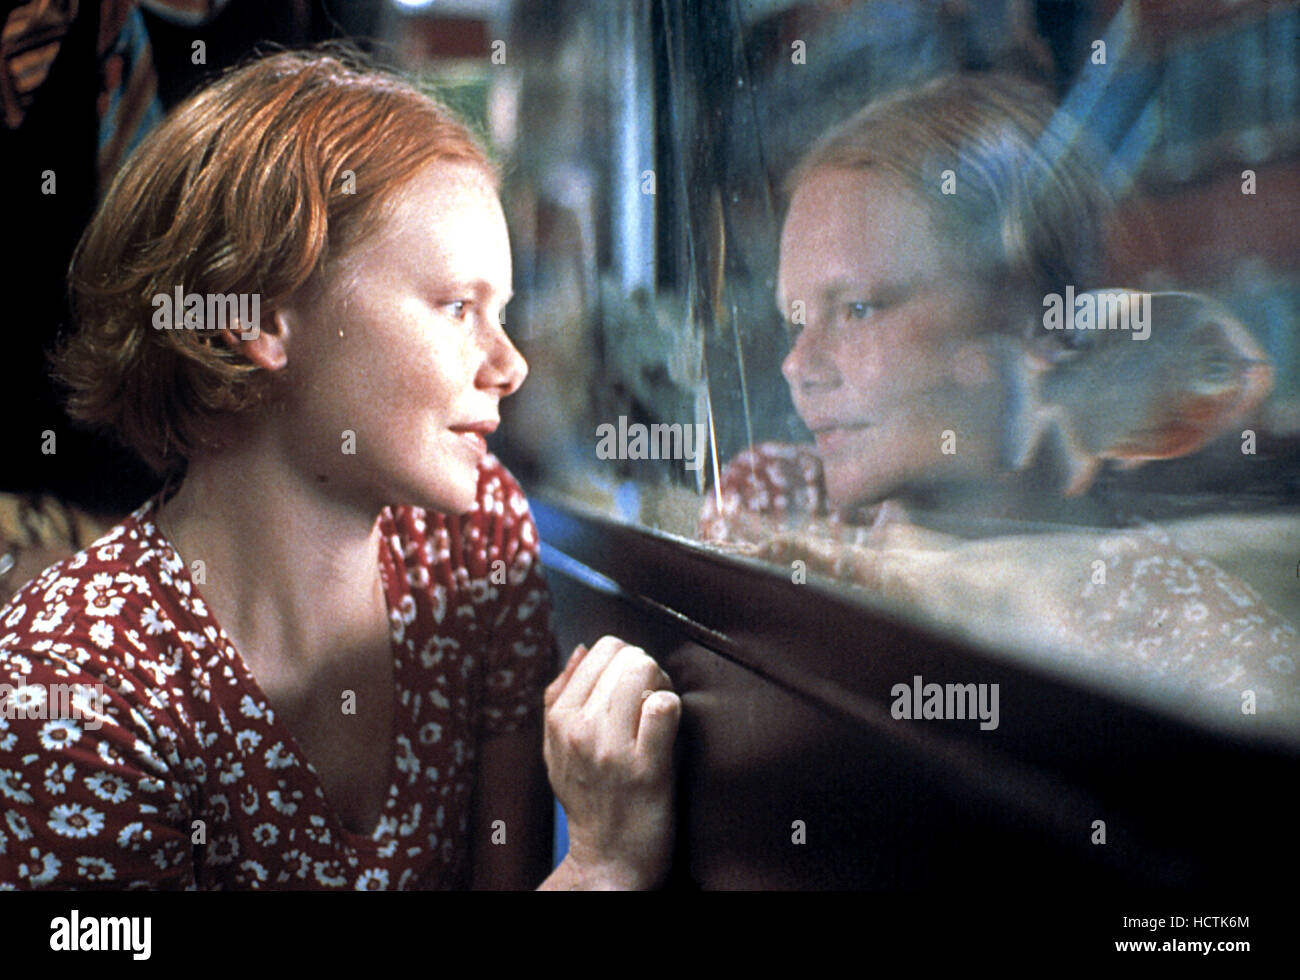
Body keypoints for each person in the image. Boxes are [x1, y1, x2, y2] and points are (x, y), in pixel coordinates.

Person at [0, 48, 680, 890]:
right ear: (263, 317)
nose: (511, 366)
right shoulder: (71, 682)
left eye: (501, 313)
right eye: (459, 307)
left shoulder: (474, 539)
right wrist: (605, 868)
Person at [700, 73, 1300, 722]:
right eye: (796, 320)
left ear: (1031, 319)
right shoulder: (769, 502)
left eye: (857, 308)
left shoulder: (1198, 645)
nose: (798, 364)